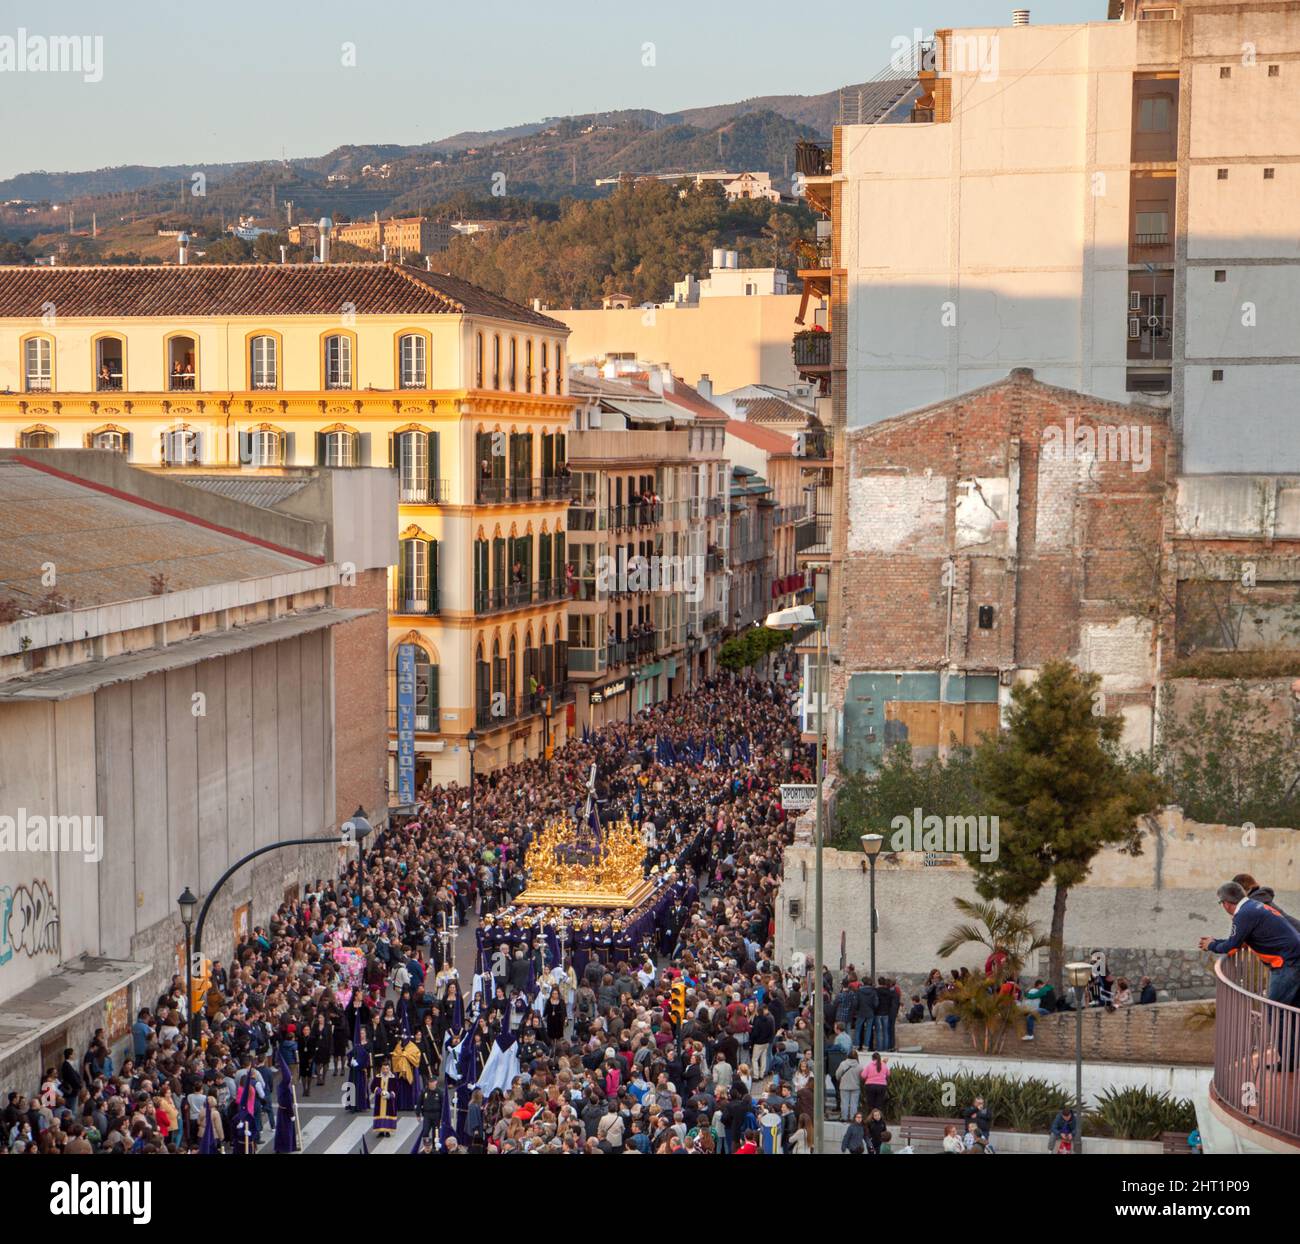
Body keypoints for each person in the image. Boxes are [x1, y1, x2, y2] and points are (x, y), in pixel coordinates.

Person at [1201, 880, 1300, 1009]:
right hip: (1294, 957)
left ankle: (1286, 1030)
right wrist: (1216, 942)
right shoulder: (1254, 906)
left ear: (1225, 903)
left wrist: (1210, 946)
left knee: (1275, 1011)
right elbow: (1238, 940)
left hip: (1288, 963)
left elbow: (1232, 945)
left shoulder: (1243, 914)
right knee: (1293, 1009)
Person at [835, 1049, 861, 1122]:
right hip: (856, 1086)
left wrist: (839, 1079)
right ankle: (853, 1118)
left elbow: (837, 1074)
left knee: (844, 1103)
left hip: (844, 1086)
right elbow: (862, 1076)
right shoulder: (859, 1066)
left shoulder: (843, 1064)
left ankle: (844, 1117)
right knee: (854, 1104)